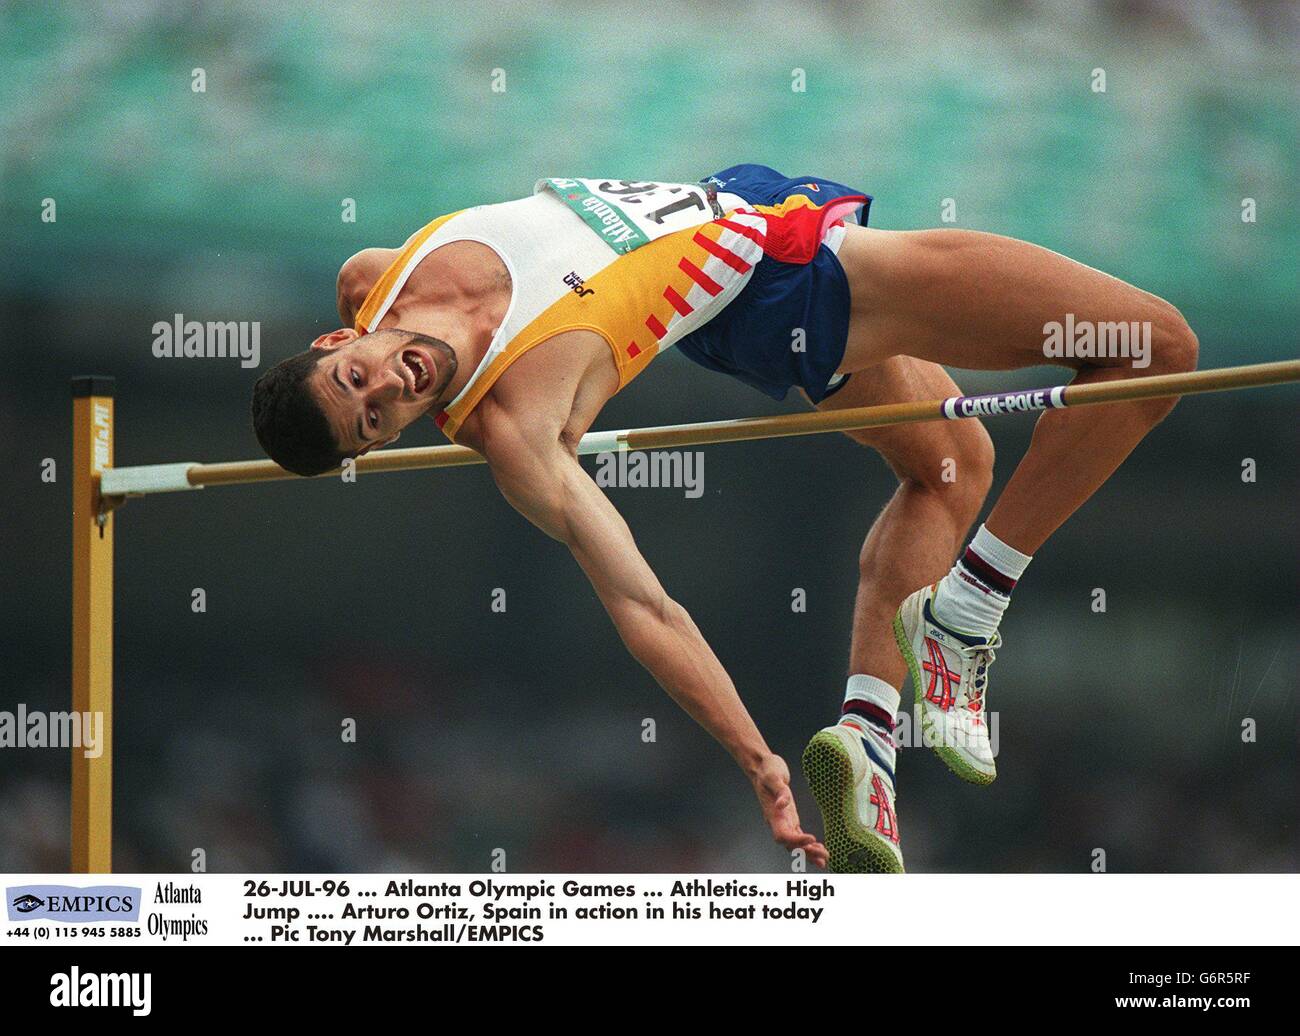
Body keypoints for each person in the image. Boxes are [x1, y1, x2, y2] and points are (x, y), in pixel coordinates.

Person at [251, 165, 1198, 871]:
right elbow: (645, 607)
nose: (386, 389)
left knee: (951, 466)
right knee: (1153, 348)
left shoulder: (373, 277)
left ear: (340, 335)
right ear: (386, 442)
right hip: (798, 280)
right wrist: (758, 762)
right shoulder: (519, 432)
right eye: (373, 422)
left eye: (355, 377)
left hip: (738, 231)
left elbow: (365, 316)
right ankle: (968, 609)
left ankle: (869, 738)